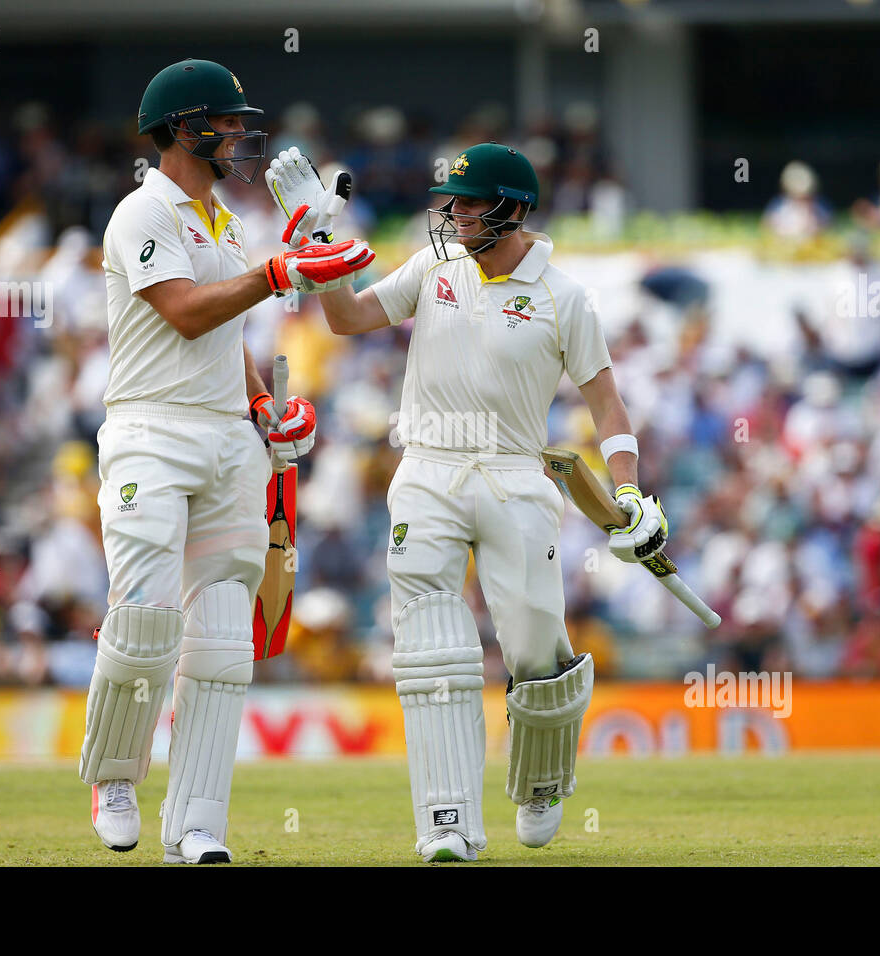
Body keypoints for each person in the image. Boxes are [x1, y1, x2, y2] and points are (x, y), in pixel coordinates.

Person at [268, 142, 669, 861]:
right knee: (430, 649)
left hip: (515, 475)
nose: (450, 214)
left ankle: (542, 782)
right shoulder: (436, 266)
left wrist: (630, 489)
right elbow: (350, 319)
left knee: (536, 649)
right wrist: (317, 247)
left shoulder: (563, 296)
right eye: (448, 201)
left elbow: (607, 403)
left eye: (467, 202)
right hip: (426, 468)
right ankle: (446, 821)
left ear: (512, 209)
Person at [79, 58, 375, 864]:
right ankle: (113, 777)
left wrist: (264, 408)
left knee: (220, 638)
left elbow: (227, 335)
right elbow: (182, 313)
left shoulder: (232, 226)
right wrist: (276, 272)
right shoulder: (143, 213)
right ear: (183, 128)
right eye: (228, 121)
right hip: (150, 432)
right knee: (144, 618)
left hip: (226, 439)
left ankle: (197, 823)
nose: (242, 135)